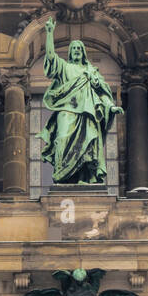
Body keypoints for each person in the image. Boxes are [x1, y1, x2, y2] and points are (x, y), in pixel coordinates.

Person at [40, 16, 121, 184]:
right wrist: (49, 34)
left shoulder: (91, 71)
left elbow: (102, 93)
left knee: (88, 144)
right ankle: (63, 177)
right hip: (67, 111)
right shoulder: (65, 67)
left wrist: (111, 106)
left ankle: (85, 178)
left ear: (83, 52)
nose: (76, 50)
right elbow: (50, 58)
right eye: (74, 48)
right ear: (70, 52)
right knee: (62, 139)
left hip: (87, 113)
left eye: (79, 48)